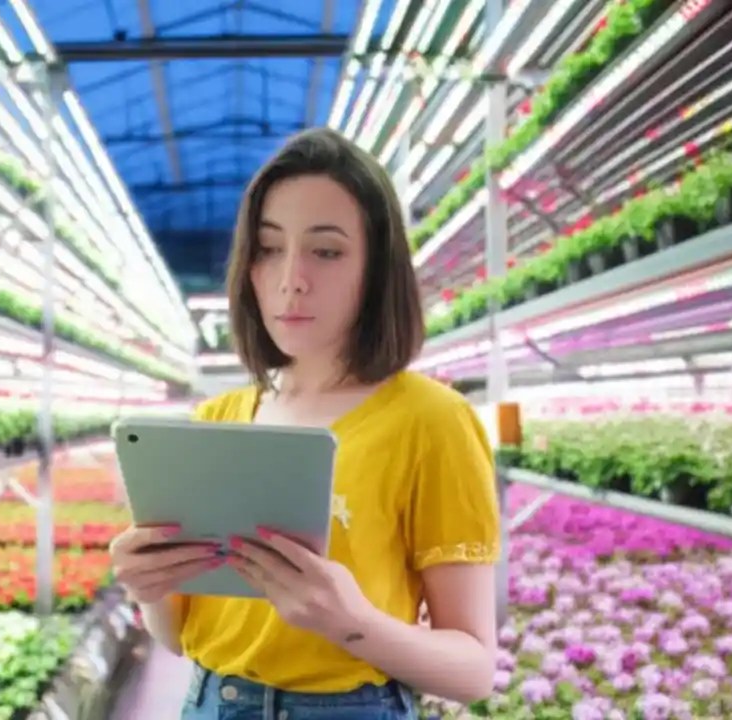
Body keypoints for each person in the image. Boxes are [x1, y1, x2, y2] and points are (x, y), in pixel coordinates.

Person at [108, 127, 502, 720]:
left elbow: (473, 669)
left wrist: (350, 622)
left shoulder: (431, 420)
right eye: (269, 248)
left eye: (327, 250)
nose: (291, 277)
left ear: (377, 269)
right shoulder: (217, 422)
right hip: (209, 703)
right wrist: (151, 587)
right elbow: (178, 639)